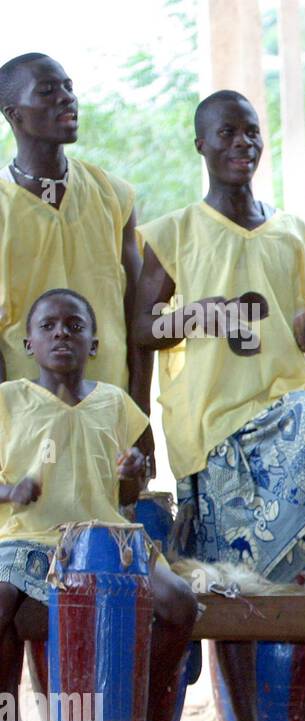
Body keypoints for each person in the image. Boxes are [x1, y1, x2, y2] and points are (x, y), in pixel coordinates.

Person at [133, 90, 305, 721]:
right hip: (213, 421)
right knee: (233, 577)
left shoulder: (294, 233)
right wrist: (199, 316)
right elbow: (142, 326)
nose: (241, 144)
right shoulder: (174, 231)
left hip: (284, 403)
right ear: (200, 144)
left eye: (251, 132)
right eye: (226, 132)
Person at [0, 290, 197, 721]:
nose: (61, 334)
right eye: (47, 327)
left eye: (73, 325)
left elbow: (131, 484)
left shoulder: (114, 402)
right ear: (28, 344)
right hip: (30, 538)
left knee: (180, 605)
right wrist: (10, 490)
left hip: (108, 539)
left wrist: (134, 468)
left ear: (94, 343)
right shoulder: (9, 401)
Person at [0, 54, 149, 435]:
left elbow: (138, 315)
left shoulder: (113, 195)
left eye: (68, 87)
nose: (66, 98)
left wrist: (139, 414)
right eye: (48, 91)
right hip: (25, 416)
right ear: (14, 115)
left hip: (108, 405)